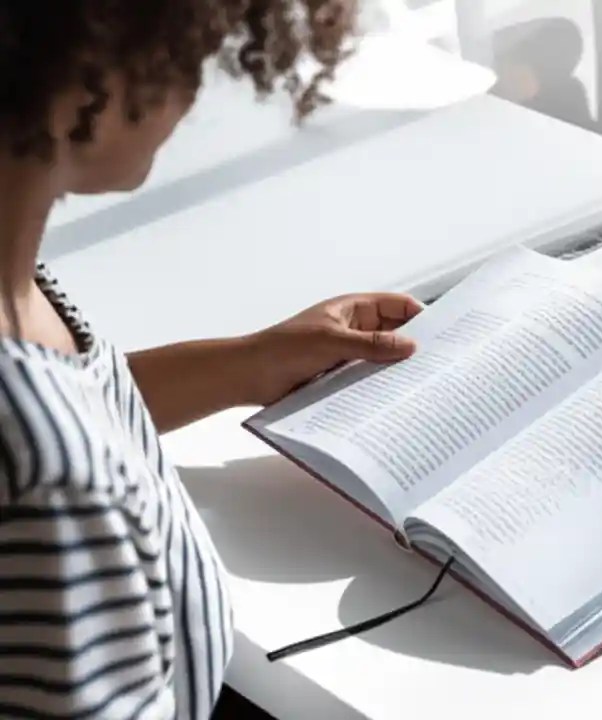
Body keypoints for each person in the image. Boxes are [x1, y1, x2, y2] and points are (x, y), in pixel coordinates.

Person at [0, 3, 425, 717]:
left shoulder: (19, 295)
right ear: (88, 88)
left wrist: (249, 365)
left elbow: (80, 402)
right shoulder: (55, 481)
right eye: (184, 61)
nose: (193, 96)